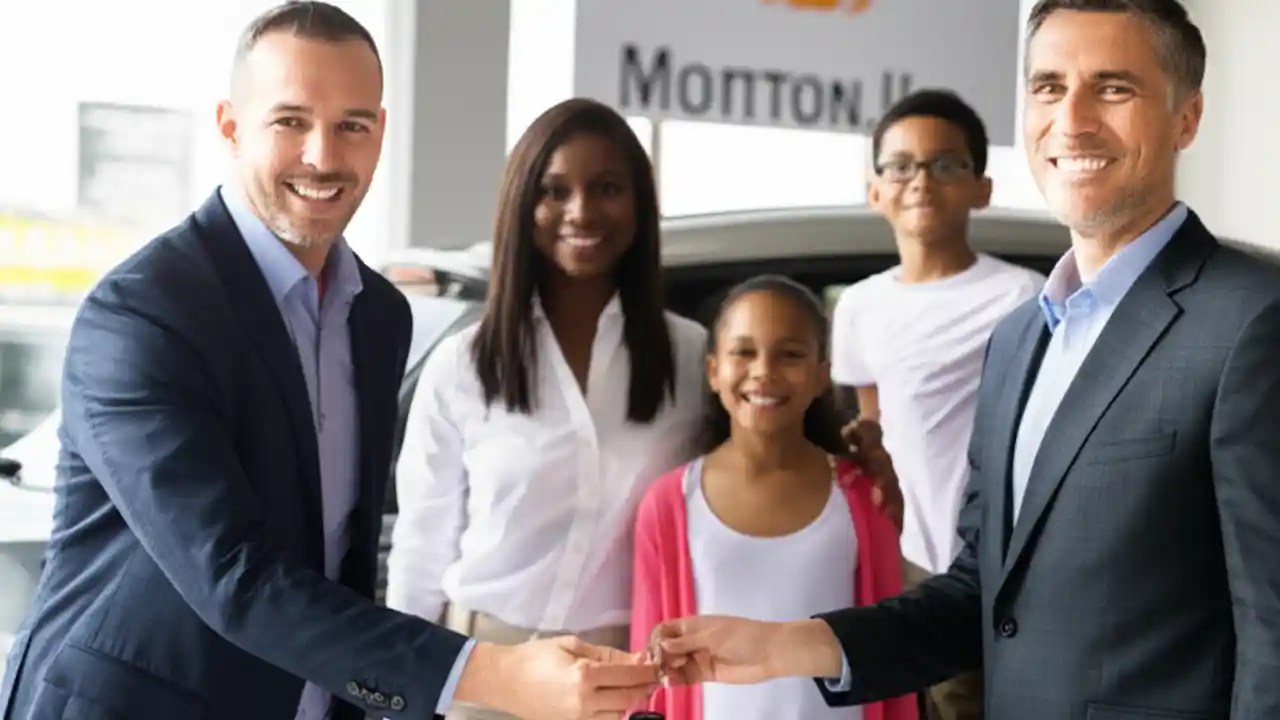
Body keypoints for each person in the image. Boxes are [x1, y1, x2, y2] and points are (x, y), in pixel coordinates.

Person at [0, 5, 658, 720]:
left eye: (352, 125)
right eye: (290, 121)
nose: (323, 156)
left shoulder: (379, 315)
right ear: (230, 126)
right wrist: (489, 674)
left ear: (381, 131)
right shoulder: (144, 312)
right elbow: (233, 575)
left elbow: (340, 555)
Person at [648, 1, 1280, 718]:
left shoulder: (1253, 322)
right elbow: (981, 593)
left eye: (1113, 88)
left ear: (1186, 118)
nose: (1072, 120)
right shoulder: (1018, 340)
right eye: (1048, 87)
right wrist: (787, 646)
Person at [386, 97, 710, 720]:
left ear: (640, 203)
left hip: (631, 684)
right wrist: (400, 697)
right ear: (522, 204)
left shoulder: (691, 357)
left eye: (607, 188)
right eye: (555, 191)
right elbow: (421, 548)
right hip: (483, 678)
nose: (581, 211)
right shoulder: (463, 364)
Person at [830, 89, 1044, 720]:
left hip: (987, 569)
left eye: (945, 164)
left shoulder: (1023, 297)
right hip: (900, 566)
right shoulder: (859, 306)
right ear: (875, 191)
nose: (921, 180)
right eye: (901, 166)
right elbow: (874, 432)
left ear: (982, 187)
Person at [630, 276, 916, 720]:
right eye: (744, 352)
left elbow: (890, 656)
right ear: (713, 371)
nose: (764, 371)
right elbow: (648, 674)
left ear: (821, 375)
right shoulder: (669, 504)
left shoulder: (865, 497)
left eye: (791, 354)